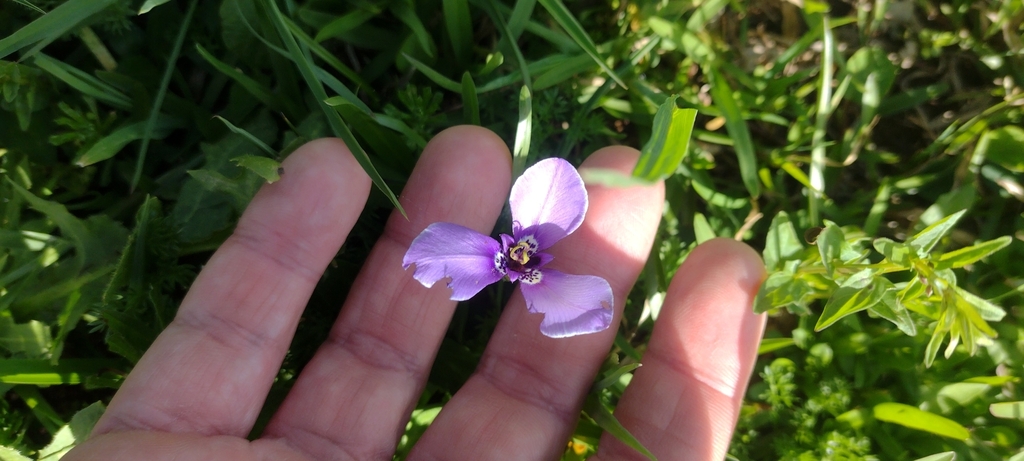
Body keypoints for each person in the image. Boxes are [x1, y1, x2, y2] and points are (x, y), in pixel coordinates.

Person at [64, 126, 767, 461]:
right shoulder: (504, 255)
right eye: (518, 254)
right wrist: (509, 263)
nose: (520, 255)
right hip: (478, 265)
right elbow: (495, 249)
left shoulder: (549, 275)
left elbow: (555, 263)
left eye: (524, 255)